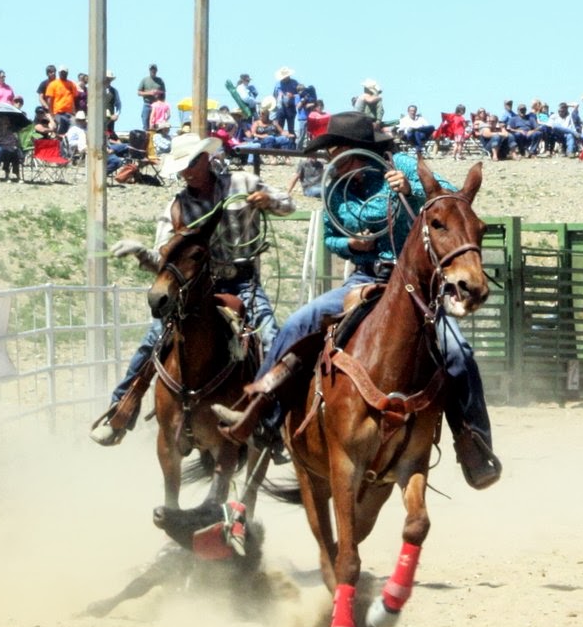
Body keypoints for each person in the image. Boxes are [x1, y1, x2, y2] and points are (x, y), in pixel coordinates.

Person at [210, 113, 501, 489]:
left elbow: (451, 203)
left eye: (337, 150)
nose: (332, 157)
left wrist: (411, 192)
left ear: (359, 150)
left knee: (458, 353)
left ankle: (473, 442)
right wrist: (351, 245)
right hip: (366, 276)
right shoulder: (336, 186)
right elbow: (331, 236)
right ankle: (261, 414)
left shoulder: (405, 168)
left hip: (413, 283)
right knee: (300, 322)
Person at [90, 133, 294, 447]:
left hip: (243, 281)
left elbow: (288, 204)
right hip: (196, 289)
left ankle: (272, 420)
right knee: (154, 339)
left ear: (206, 159)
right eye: (182, 167)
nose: (188, 172)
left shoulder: (242, 183)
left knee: (270, 336)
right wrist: (140, 251)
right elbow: (165, 260)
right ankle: (121, 409)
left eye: (192, 164)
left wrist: (268, 201)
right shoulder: (177, 207)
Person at [138, 63, 165, 136]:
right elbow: (139, 92)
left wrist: (157, 92)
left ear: (156, 70)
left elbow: (164, 92)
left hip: (157, 106)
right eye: (151, 69)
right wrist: (150, 93)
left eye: (154, 69)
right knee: (145, 123)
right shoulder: (145, 80)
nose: (153, 71)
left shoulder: (160, 80)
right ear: (149, 70)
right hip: (147, 104)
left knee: (157, 125)